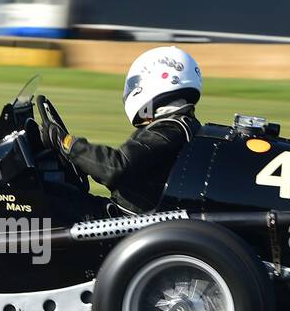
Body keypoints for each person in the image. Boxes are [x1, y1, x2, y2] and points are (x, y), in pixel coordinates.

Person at [39, 45, 202, 214]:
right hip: (134, 215)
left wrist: (66, 143)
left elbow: (115, 167)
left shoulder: (169, 130)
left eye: (136, 83)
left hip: (128, 222)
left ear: (162, 79)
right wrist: (78, 159)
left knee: (39, 200)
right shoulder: (181, 126)